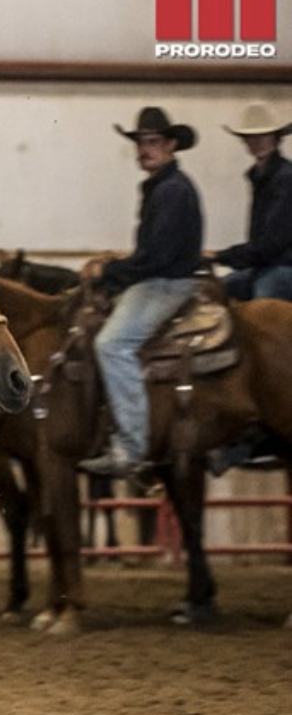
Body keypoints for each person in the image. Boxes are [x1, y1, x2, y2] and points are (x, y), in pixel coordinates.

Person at [79, 107, 205, 478]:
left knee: (111, 344)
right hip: (160, 278)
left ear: (170, 145)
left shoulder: (171, 191)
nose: (143, 151)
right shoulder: (162, 187)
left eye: (152, 143)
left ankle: (131, 448)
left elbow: (156, 256)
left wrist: (109, 272)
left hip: (167, 284)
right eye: (139, 144)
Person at [207, 102, 292, 302]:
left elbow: (270, 244)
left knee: (262, 309)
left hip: (284, 268)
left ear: (275, 138)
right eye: (251, 137)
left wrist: (221, 256)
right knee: (215, 290)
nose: (256, 142)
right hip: (266, 265)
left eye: (263, 136)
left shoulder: (285, 178)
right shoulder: (262, 177)